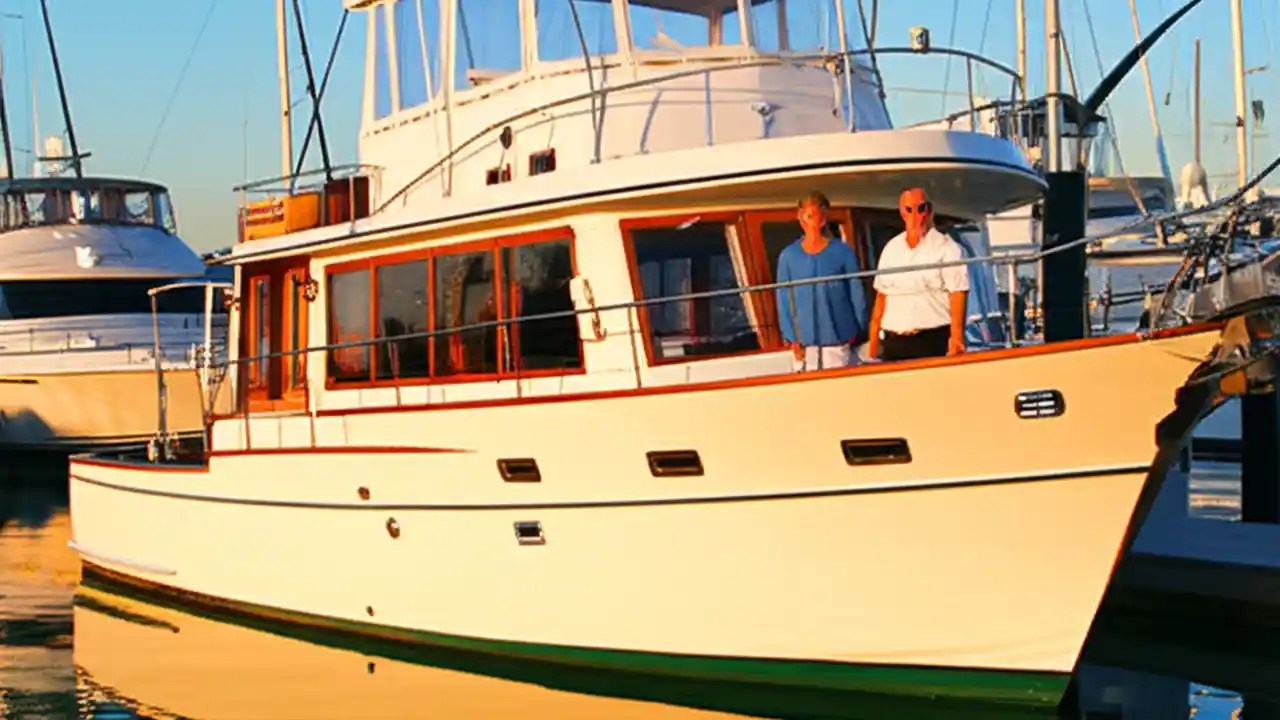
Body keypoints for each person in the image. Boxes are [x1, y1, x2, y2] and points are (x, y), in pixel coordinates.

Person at [866, 187, 970, 361]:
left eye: (921, 208)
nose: (916, 215)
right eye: (909, 209)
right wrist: (873, 343)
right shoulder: (891, 249)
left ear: (929, 211)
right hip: (894, 342)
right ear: (902, 213)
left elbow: (958, 293)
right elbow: (881, 300)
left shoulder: (947, 248)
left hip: (933, 338)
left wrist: (957, 338)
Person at [776, 191, 868, 372]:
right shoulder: (788, 256)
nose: (806, 221)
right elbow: (784, 300)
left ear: (824, 218)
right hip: (803, 347)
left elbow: (856, 294)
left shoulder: (843, 252)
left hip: (838, 342)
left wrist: (857, 331)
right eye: (804, 216)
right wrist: (791, 338)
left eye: (811, 216)